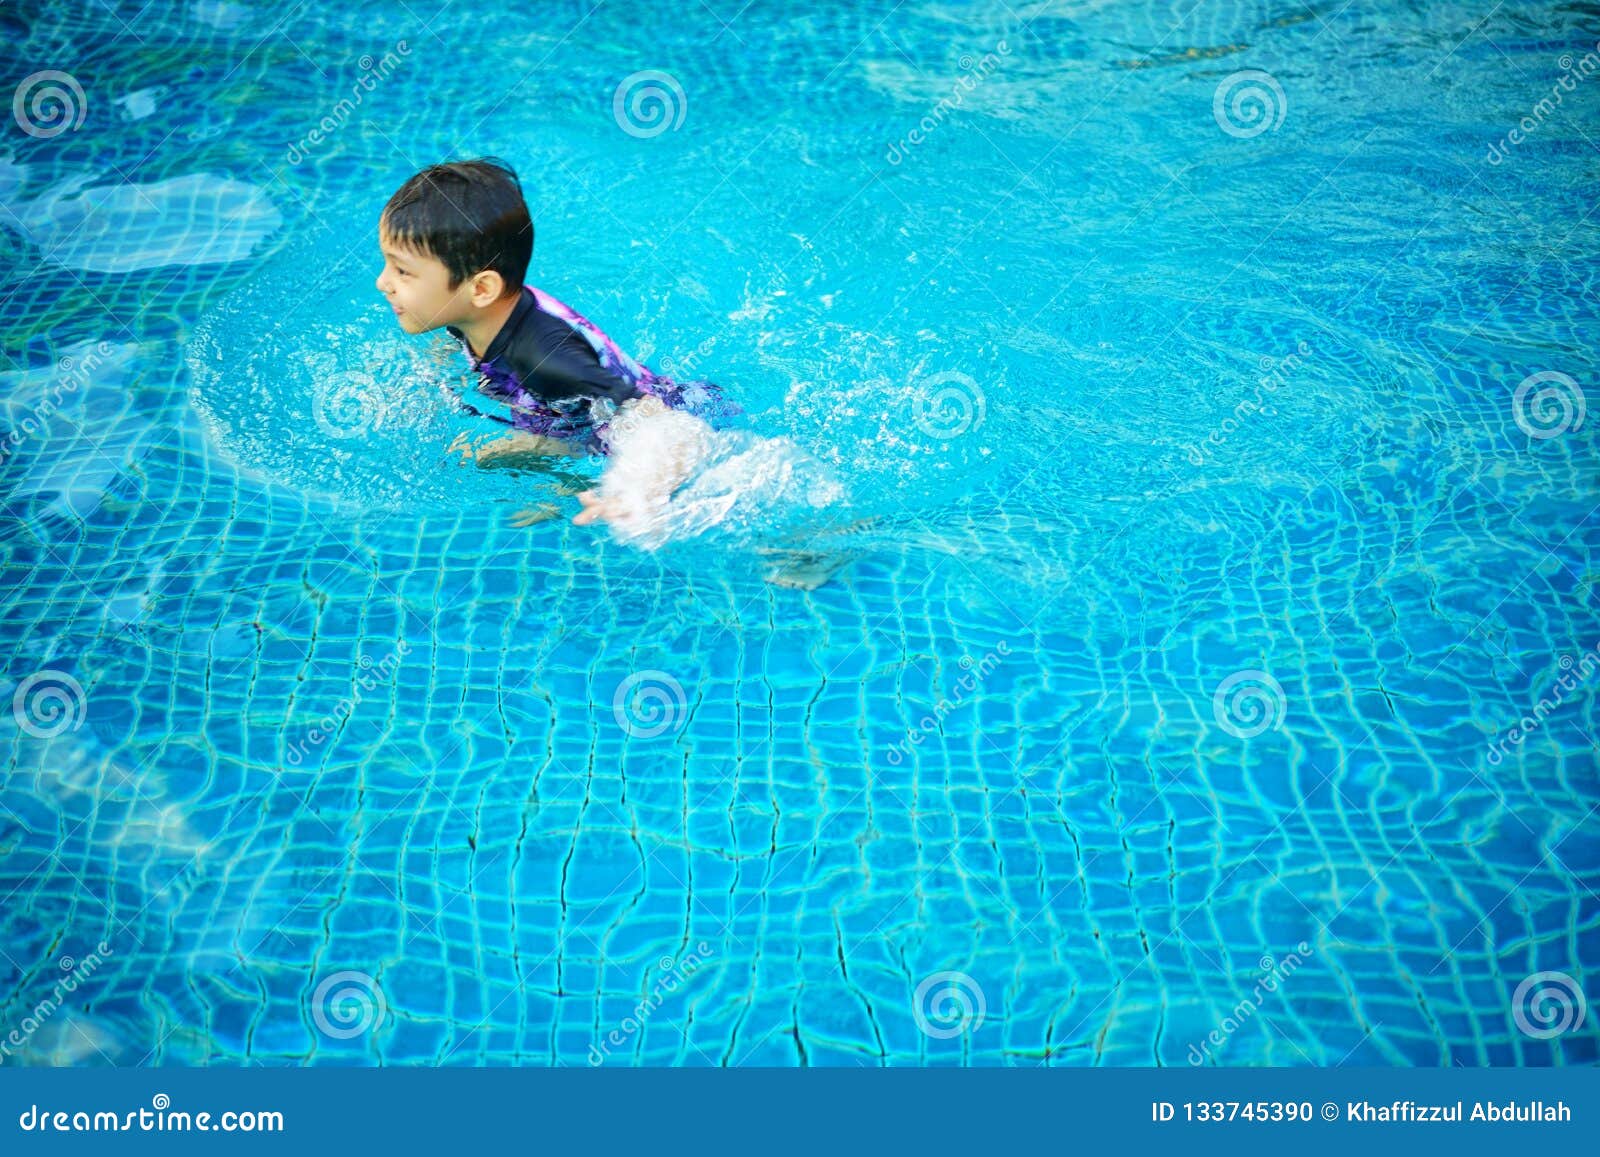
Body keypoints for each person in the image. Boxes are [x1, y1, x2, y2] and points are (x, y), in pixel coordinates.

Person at [373, 156, 741, 531]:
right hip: (569, 411)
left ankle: (795, 548)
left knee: (476, 457)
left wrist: (635, 494)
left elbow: (654, 416)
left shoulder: (547, 356)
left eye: (402, 271)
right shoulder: (471, 310)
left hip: (665, 421)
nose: (383, 282)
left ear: (481, 288)